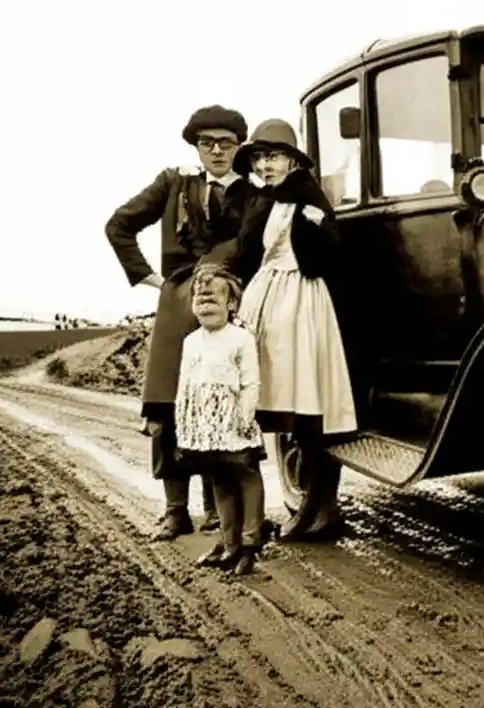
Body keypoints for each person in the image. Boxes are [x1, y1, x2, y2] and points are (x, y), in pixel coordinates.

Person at [105, 105, 259, 541]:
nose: (216, 150)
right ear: (196, 145)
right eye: (207, 142)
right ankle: (175, 511)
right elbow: (118, 225)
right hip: (177, 307)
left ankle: (218, 508)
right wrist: (155, 281)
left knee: (225, 394)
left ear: (238, 147)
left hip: (229, 307)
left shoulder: (250, 194)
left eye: (226, 143)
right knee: (168, 402)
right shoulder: (174, 182)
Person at [228, 118, 358, 542]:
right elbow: (251, 253)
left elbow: (327, 251)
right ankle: (293, 504)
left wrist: (311, 223)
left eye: (274, 156)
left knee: (308, 401)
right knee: (274, 404)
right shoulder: (262, 200)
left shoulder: (307, 196)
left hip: (301, 301)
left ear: (292, 161)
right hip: (267, 299)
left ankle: (322, 505)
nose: (266, 165)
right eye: (260, 157)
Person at [174, 263, 267, 576]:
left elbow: (251, 382)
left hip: (236, 424)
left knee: (245, 475)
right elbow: (184, 386)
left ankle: (250, 543)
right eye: (199, 298)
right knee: (219, 482)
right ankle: (229, 544)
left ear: (231, 304)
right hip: (205, 429)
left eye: (213, 297)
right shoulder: (190, 342)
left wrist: (245, 415)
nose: (204, 301)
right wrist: (183, 423)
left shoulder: (240, 339)